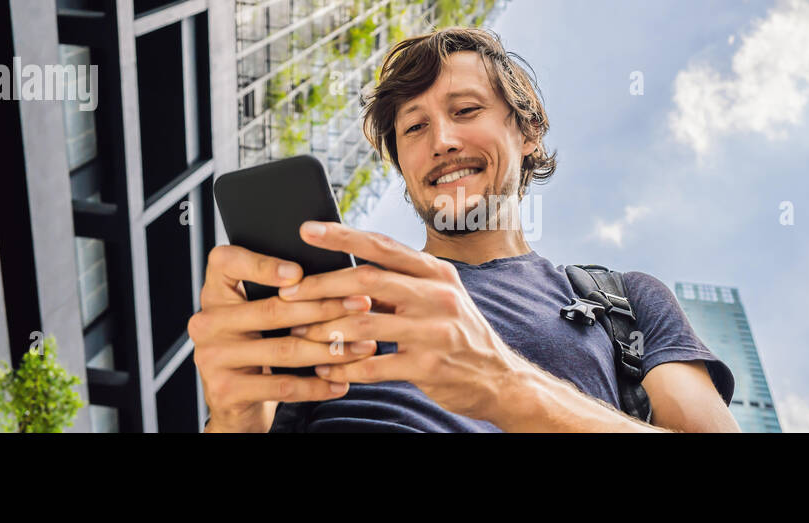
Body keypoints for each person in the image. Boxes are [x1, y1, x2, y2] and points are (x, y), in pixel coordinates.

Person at [191, 27, 740, 433]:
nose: (441, 140)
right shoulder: (342, 300)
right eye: (415, 127)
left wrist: (501, 383)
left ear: (528, 131)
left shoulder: (623, 300)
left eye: (466, 109)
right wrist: (236, 415)